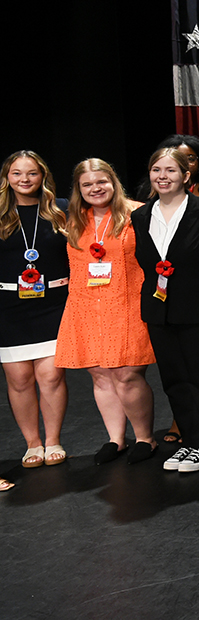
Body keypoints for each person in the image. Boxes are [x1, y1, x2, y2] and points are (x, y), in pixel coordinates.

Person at [56, 159, 157, 465]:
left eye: (101, 182)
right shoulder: (73, 220)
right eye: (87, 184)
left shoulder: (137, 214)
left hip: (127, 303)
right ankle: (116, 438)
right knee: (100, 376)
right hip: (86, 306)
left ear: (113, 182)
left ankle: (145, 438)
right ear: (79, 189)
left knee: (127, 375)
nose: (95, 189)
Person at [131, 148, 199, 473]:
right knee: (173, 378)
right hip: (158, 309)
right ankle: (188, 440)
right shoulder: (140, 216)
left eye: (171, 170)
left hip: (198, 309)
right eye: (157, 170)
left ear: (186, 176)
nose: (163, 176)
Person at [1, 151, 70, 470]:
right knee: (19, 380)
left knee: (51, 376)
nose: (24, 180)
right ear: (7, 178)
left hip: (54, 304)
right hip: (9, 308)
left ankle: (53, 440)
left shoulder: (62, 210)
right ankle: (32, 443)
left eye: (31, 173)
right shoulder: (1, 214)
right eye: (17, 174)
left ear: (43, 176)